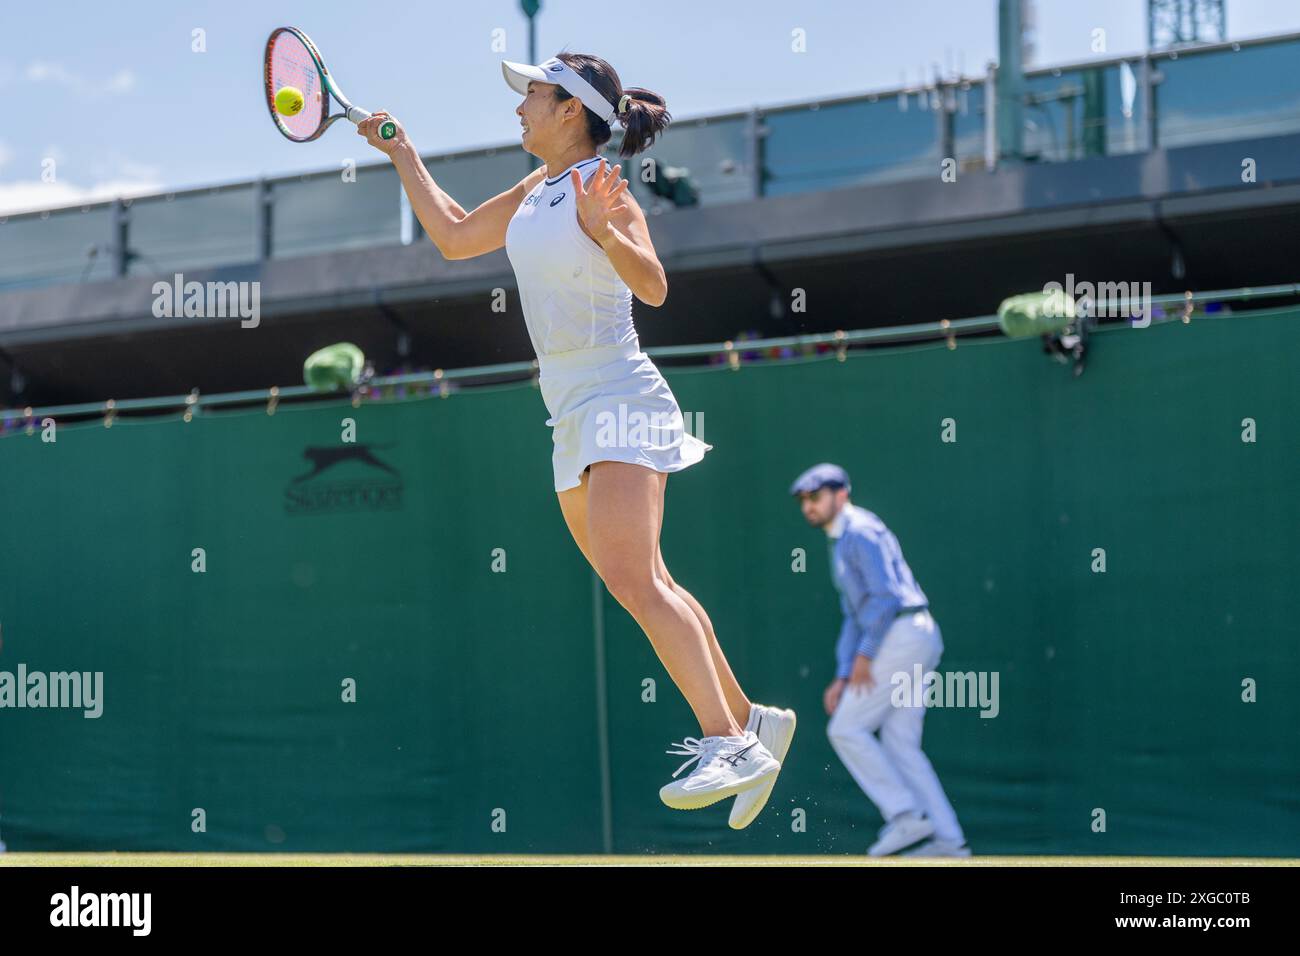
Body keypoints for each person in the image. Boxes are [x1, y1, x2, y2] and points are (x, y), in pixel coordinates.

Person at [357, 52, 794, 824]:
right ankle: (754, 720)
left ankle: (728, 739)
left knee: (634, 579)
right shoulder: (537, 187)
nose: (519, 106)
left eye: (533, 94)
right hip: (567, 409)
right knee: (644, 579)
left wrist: (605, 230)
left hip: (619, 394)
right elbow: (457, 237)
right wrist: (402, 152)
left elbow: (653, 285)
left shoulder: (600, 189)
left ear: (570, 112)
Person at [790, 463, 969, 856]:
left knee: (845, 729)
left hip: (902, 634)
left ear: (841, 494)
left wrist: (865, 656)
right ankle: (948, 842)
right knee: (900, 742)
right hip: (911, 636)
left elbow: (885, 598)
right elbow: (854, 615)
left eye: (815, 497)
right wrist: (843, 673)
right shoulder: (839, 540)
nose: (809, 506)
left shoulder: (861, 531)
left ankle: (905, 816)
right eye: (804, 500)